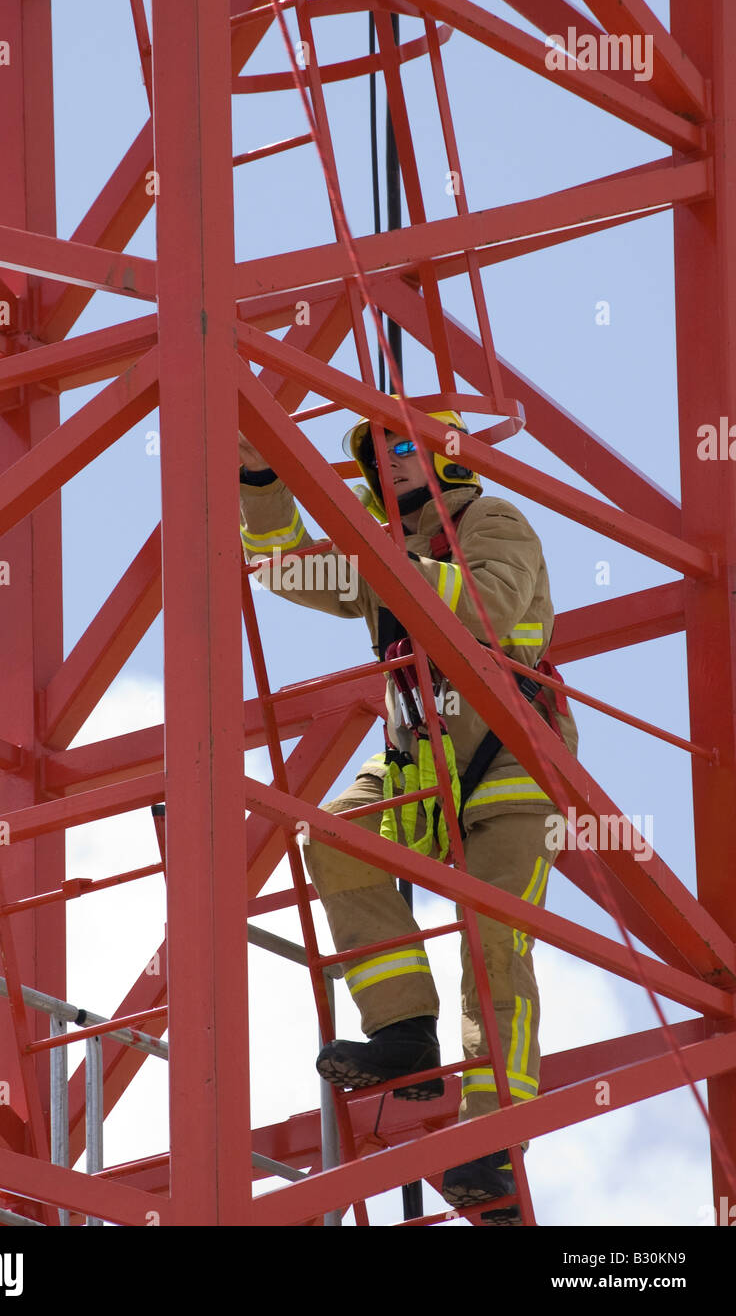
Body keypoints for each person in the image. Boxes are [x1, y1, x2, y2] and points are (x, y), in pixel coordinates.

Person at [239, 407, 578, 1224]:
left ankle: (495, 1134)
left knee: (493, 939)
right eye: (378, 448)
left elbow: (487, 609)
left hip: (513, 761)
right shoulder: (379, 544)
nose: (390, 460)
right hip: (421, 757)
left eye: (406, 447)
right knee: (334, 834)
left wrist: (386, 561)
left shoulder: (491, 518)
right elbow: (287, 567)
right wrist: (260, 475)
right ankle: (404, 1034)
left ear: (446, 461)